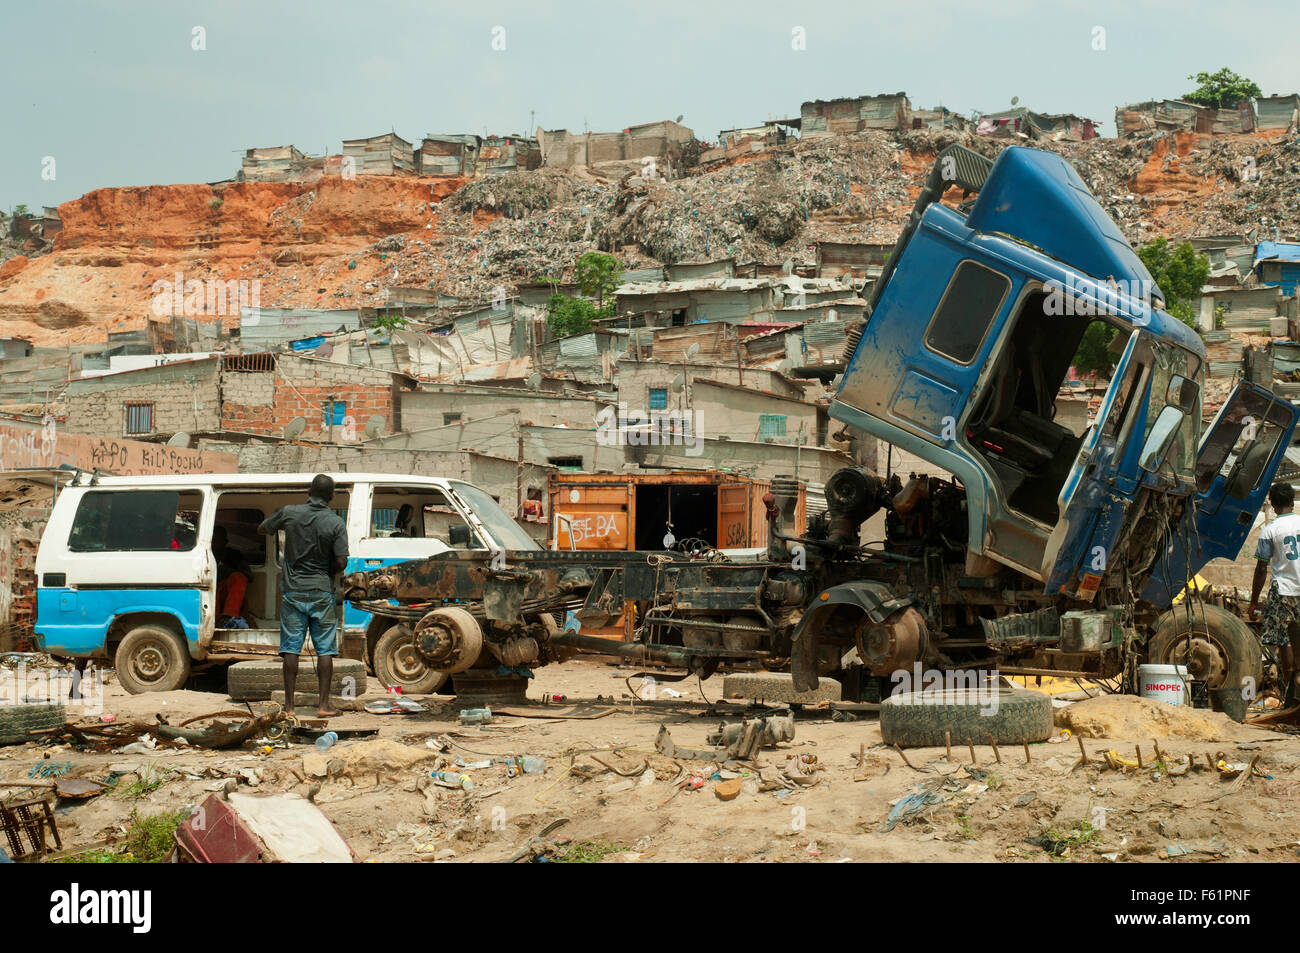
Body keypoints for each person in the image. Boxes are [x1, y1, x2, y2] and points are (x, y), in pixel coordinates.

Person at [258, 475, 349, 717]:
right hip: (322, 593)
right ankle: (323, 706)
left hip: (293, 592)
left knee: (291, 649)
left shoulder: (289, 513)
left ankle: (289, 708)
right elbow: (341, 562)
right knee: (325, 650)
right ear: (332, 496)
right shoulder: (336, 522)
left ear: (309, 491)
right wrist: (324, 570)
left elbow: (263, 528)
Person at [1249, 482, 1300, 705]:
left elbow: (1261, 569)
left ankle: (1290, 694)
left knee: (1283, 638)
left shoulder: (1269, 530)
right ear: (1292, 502)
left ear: (1272, 503)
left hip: (1283, 591)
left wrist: (1254, 601)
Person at [216, 549, 252, 629]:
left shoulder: (237, 574)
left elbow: (250, 576)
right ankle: (228, 616)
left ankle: (229, 616)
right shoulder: (220, 568)